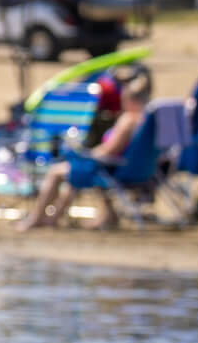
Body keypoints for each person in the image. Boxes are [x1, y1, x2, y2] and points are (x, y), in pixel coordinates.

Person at [16, 74, 151, 232]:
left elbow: (110, 150)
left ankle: (37, 217)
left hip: (114, 170)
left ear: (129, 99)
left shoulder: (128, 120)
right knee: (75, 171)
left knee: (57, 172)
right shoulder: (146, 121)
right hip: (139, 171)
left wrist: (85, 153)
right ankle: (56, 217)